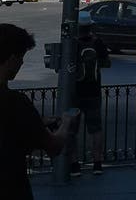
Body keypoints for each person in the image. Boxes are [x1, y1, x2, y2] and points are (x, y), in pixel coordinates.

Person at [0, 23, 76, 199]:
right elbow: (54, 146)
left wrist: (38, 122)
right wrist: (65, 123)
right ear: (11, 59)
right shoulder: (15, 102)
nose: (21, 63)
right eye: (21, 58)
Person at [70, 11, 111, 176]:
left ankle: (74, 165)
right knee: (96, 129)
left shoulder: (72, 44)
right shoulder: (97, 42)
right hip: (93, 90)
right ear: (90, 26)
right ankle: (97, 163)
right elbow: (106, 63)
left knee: (72, 129)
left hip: (75, 92)